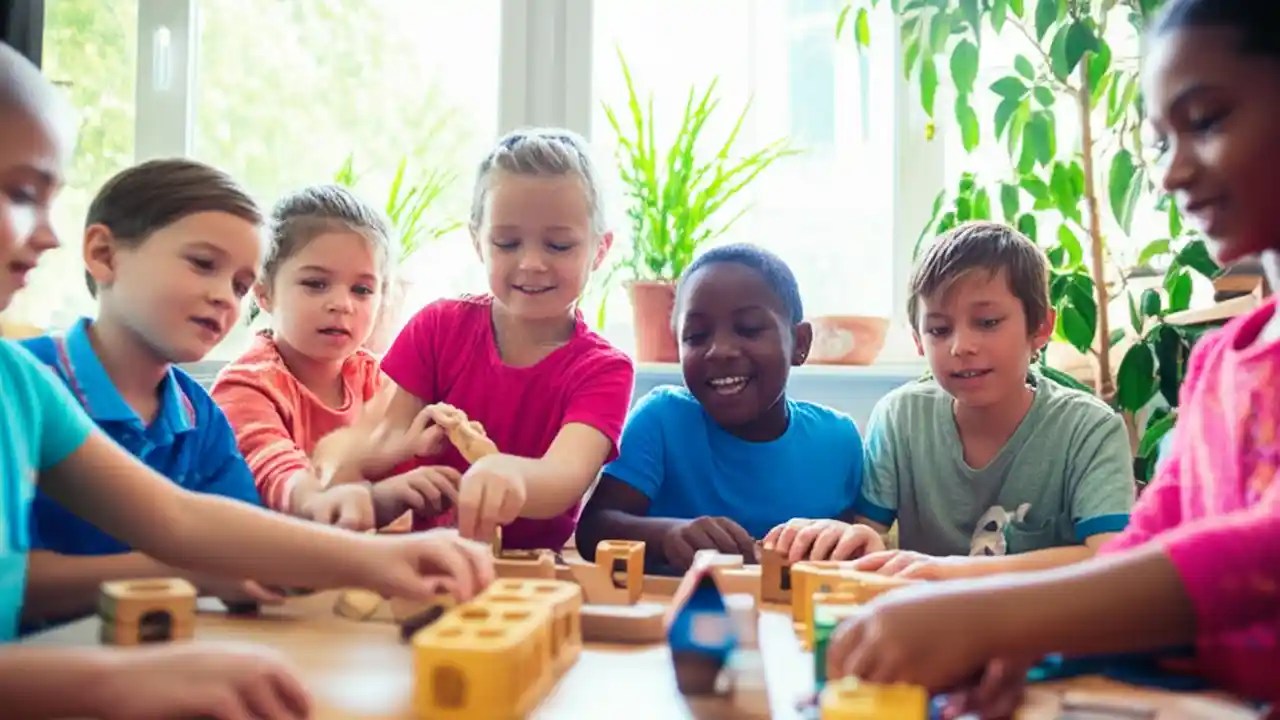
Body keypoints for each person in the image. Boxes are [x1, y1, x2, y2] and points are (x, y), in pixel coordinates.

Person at [0, 42, 491, 719]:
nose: (47, 235)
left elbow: (187, 522)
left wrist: (381, 560)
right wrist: (129, 663)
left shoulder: (25, 390)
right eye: (21, 194)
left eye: (235, 282)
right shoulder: (52, 377)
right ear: (105, 253)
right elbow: (30, 584)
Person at [827, 0, 1280, 712]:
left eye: (1209, 119)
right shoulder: (1219, 361)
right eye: (1161, 141)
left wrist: (995, 614)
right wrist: (1036, 640)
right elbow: (1147, 546)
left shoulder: (1084, 422)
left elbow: (1264, 553)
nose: (1168, 174)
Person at [321, 128, 635, 550]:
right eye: (507, 243)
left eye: (559, 245)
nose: (532, 263)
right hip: (422, 556)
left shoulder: (604, 370)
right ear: (477, 242)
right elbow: (375, 438)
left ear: (600, 249)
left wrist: (500, 471)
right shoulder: (437, 329)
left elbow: (562, 480)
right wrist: (350, 472)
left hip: (529, 569)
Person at [770, 222, 1134, 580]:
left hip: (1046, 632)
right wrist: (855, 540)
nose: (961, 347)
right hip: (928, 629)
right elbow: (870, 535)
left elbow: (1107, 555)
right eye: (939, 330)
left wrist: (955, 570)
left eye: (988, 322)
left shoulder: (1091, 429)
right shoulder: (900, 417)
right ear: (917, 341)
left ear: (1040, 327)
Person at [17, 158, 284, 627]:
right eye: (203, 264)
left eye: (242, 286)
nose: (226, 296)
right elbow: (15, 584)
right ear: (104, 254)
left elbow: (241, 550)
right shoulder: (24, 383)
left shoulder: (201, 416)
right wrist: (190, 572)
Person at [576, 244, 877, 571]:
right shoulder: (661, 419)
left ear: (800, 344)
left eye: (748, 328)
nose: (719, 350)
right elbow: (594, 530)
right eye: (696, 335)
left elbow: (850, 553)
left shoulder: (838, 441)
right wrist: (669, 535)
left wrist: (841, 538)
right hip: (669, 612)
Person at [213, 185, 458, 533]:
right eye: (315, 283)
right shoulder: (246, 386)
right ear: (264, 292)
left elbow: (411, 481)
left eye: (362, 289)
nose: (342, 304)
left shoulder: (381, 381)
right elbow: (277, 479)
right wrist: (376, 498)